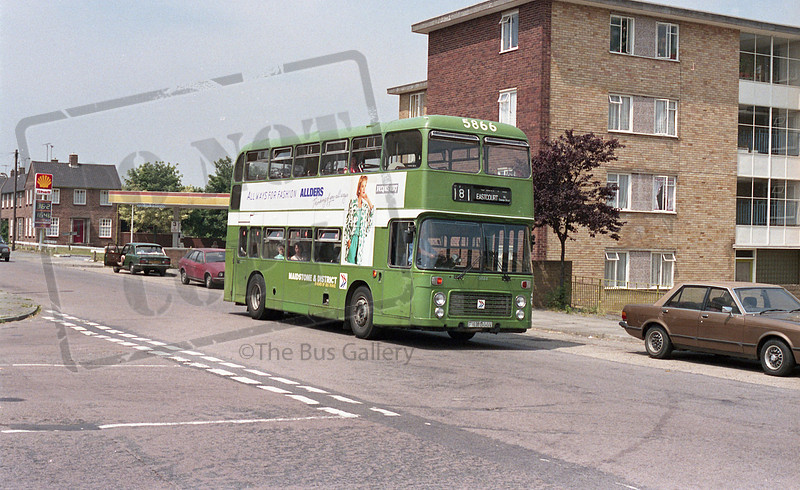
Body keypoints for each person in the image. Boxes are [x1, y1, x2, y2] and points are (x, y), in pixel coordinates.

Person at [344, 175, 374, 264]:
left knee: (358, 264)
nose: (364, 189)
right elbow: (347, 224)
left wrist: (368, 200)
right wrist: (348, 241)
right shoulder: (352, 203)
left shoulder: (365, 207)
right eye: (362, 186)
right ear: (359, 188)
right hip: (353, 238)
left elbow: (370, 223)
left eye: (365, 186)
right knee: (350, 262)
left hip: (360, 239)